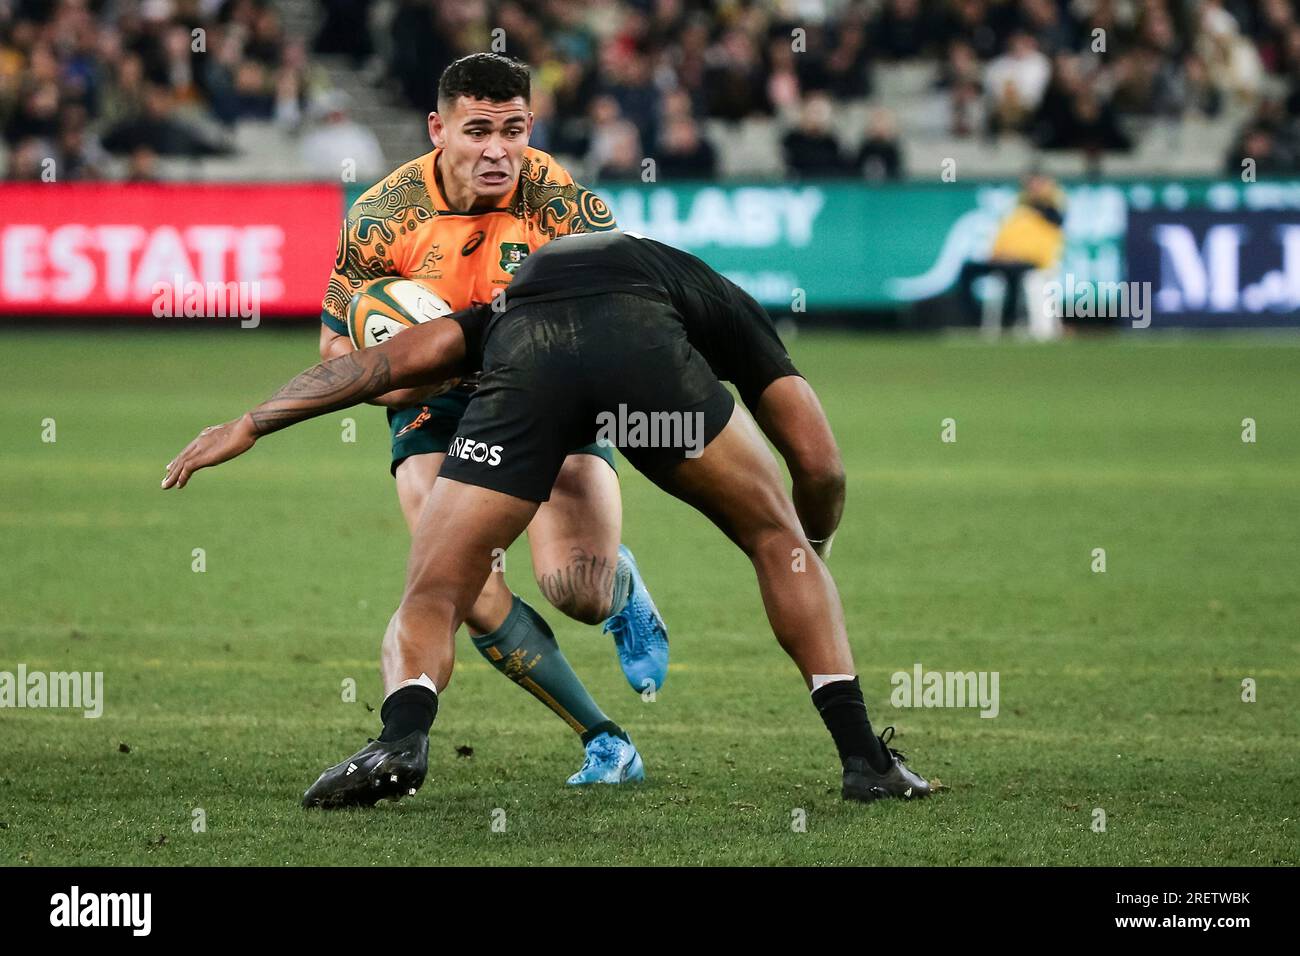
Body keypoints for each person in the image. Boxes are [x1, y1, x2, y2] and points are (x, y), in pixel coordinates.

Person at [162, 231, 932, 810]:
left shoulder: (507, 304)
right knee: (773, 541)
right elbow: (821, 466)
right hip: (646, 376)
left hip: (527, 372)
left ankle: (401, 738)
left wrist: (253, 423)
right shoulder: (713, 298)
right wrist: (809, 548)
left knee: (435, 591)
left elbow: (384, 365)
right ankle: (864, 759)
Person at [315, 53, 669, 786]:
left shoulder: (561, 203)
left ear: (530, 126)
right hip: (434, 404)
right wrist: (414, 375)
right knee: (459, 580)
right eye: (477, 131)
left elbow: (620, 316)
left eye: (513, 130)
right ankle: (605, 739)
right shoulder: (382, 218)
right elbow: (335, 347)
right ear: (438, 129)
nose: (497, 150)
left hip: (547, 387)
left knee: (578, 589)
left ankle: (622, 590)